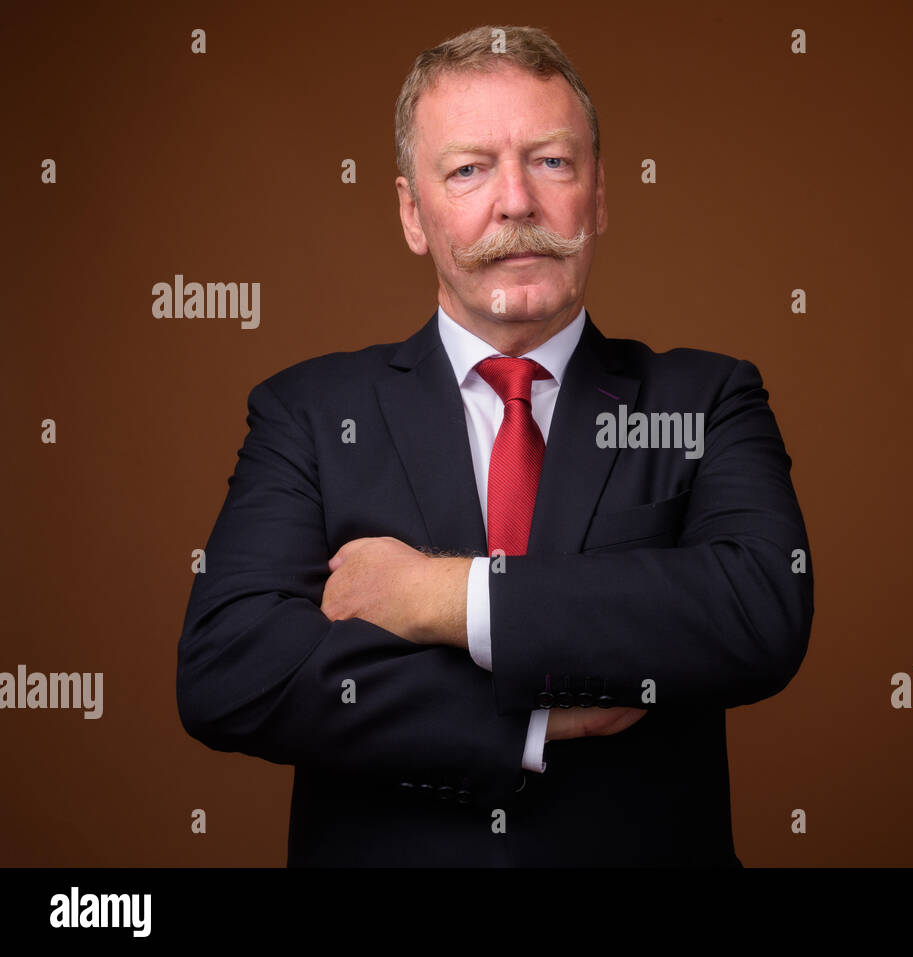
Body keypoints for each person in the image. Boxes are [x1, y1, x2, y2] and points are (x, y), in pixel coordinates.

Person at [176, 23, 813, 867]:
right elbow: (230, 668)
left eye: (552, 161)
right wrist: (526, 719)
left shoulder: (708, 397)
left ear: (599, 194)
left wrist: (440, 594)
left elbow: (756, 610)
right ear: (413, 212)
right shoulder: (307, 411)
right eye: (470, 168)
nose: (517, 202)